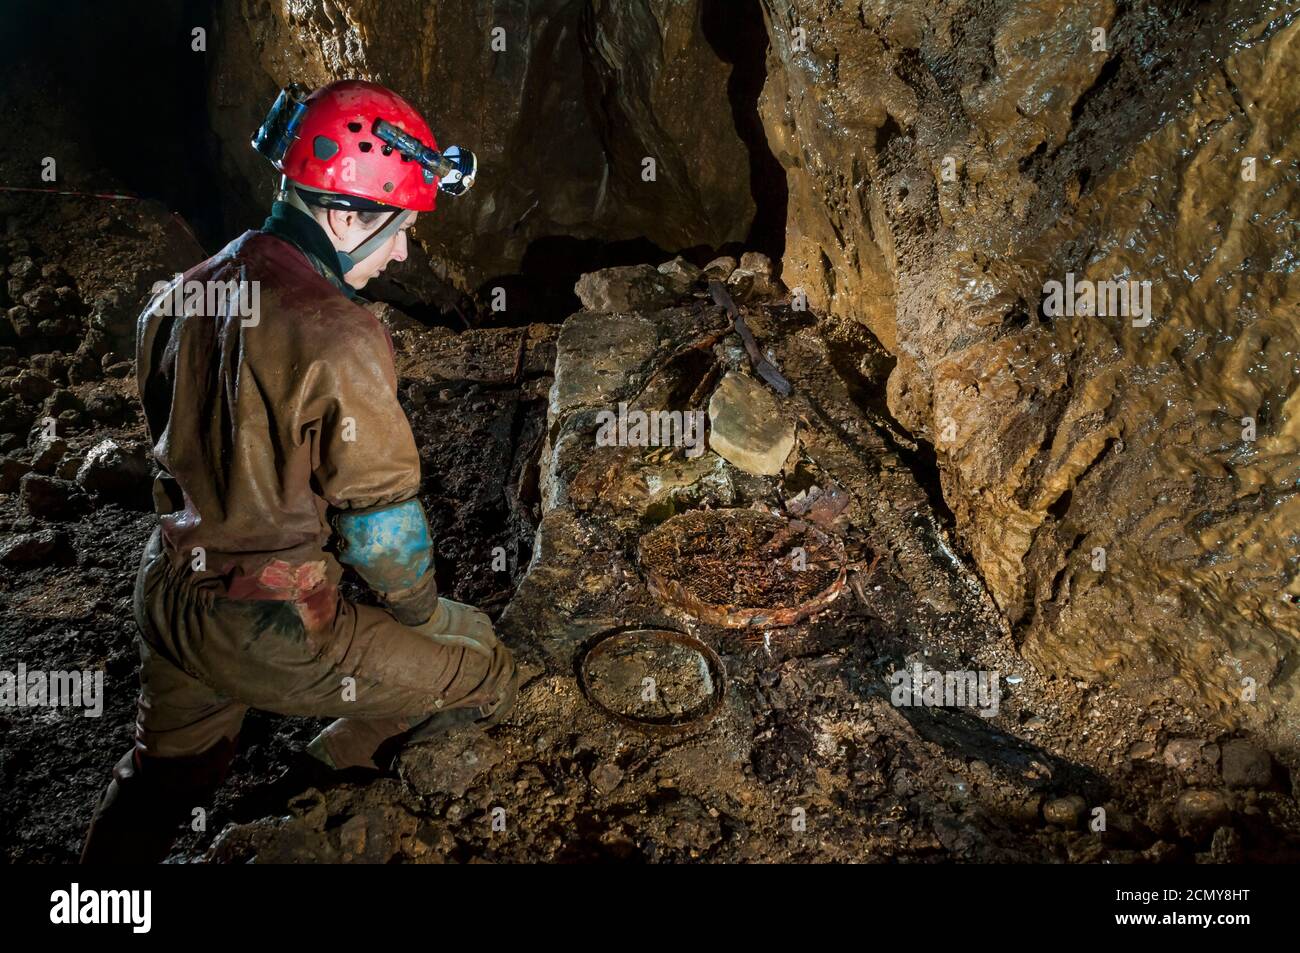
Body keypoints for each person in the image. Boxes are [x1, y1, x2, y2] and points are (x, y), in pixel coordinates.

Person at [80, 80, 513, 864]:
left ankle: (91, 911)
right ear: (347, 215)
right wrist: (424, 615)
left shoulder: (177, 294)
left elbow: (170, 441)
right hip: (274, 626)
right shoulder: (340, 333)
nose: (404, 252)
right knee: (484, 672)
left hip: (171, 590)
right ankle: (314, 801)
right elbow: (384, 536)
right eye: (401, 228)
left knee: (165, 775)